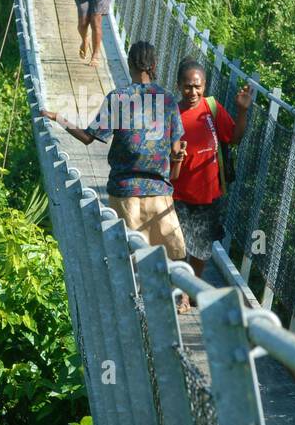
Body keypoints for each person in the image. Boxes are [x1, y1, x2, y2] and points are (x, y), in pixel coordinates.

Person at [41, 41, 193, 309]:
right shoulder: (168, 100)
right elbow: (176, 147)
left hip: (125, 190)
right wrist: (177, 159)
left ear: (130, 64)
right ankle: (182, 298)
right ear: (154, 65)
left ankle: (135, 305)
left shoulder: (119, 98)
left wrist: (58, 117)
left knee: (131, 252)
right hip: (159, 189)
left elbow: (89, 137)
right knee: (174, 248)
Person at [172, 59, 252, 277]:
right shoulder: (171, 113)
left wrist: (242, 111)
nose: (193, 91)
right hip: (176, 194)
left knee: (201, 249)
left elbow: (234, 138)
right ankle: (183, 292)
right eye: (187, 86)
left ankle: (192, 289)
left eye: (197, 86)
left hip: (208, 195)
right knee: (178, 246)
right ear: (178, 85)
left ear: (204, 86)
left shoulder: (212, 108)